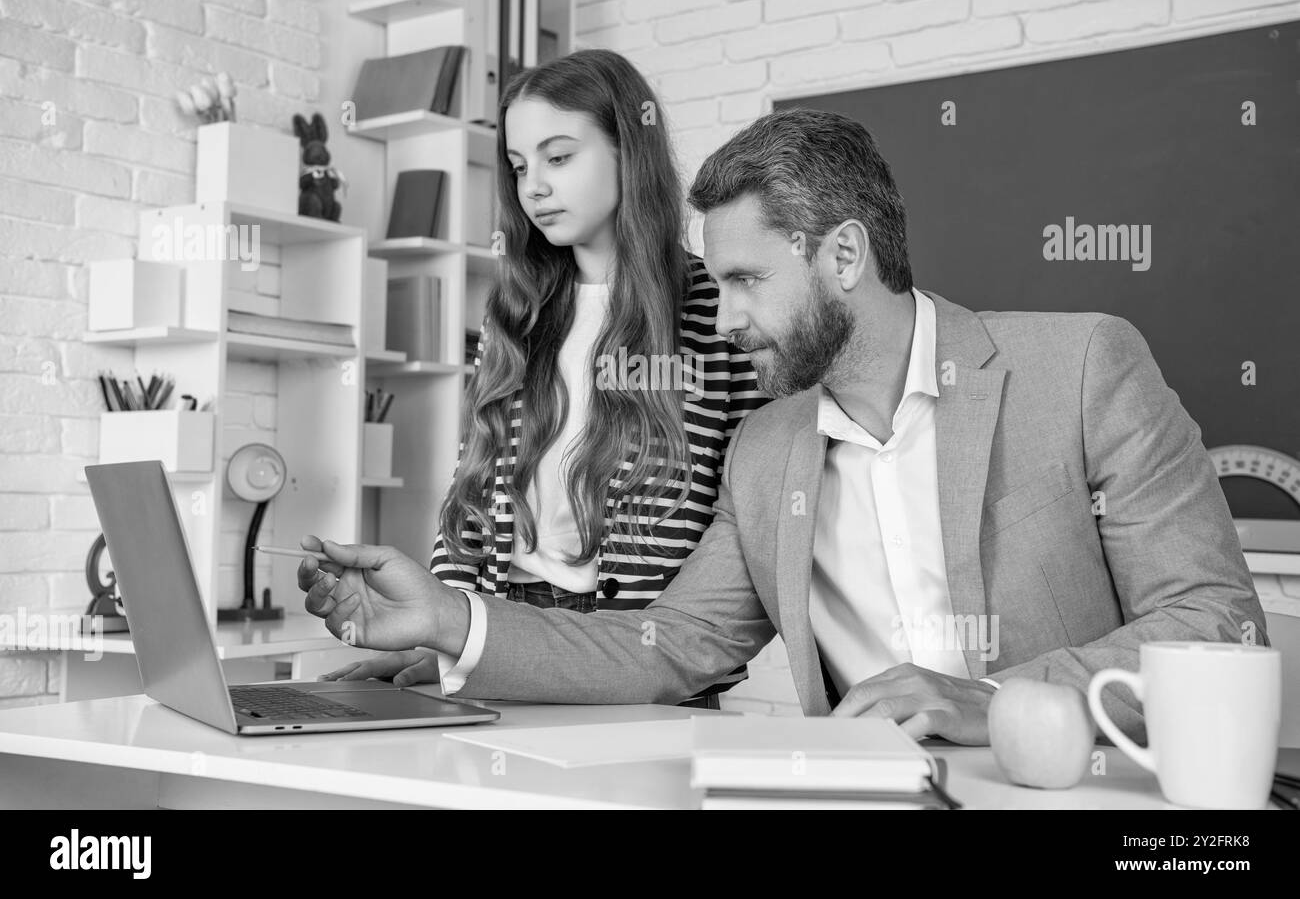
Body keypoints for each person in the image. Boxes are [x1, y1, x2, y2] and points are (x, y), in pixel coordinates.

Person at [300, 107, 1266, 744]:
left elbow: (1217, 624)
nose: (722, 320)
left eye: (749, 281)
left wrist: (1005, 700)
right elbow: (667, 646)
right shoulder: (767, 452)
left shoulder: (1084, 366)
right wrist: (446, 617)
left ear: (844, 254)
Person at [319, 50, 766, 710]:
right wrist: (437, 626)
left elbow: (748, 507)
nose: (533, 188)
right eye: (520, 166)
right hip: (502, 633)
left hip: (640, 655)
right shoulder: (517, 311)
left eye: (559, 158)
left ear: (627, 151)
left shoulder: (713, 308)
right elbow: (471, 487)